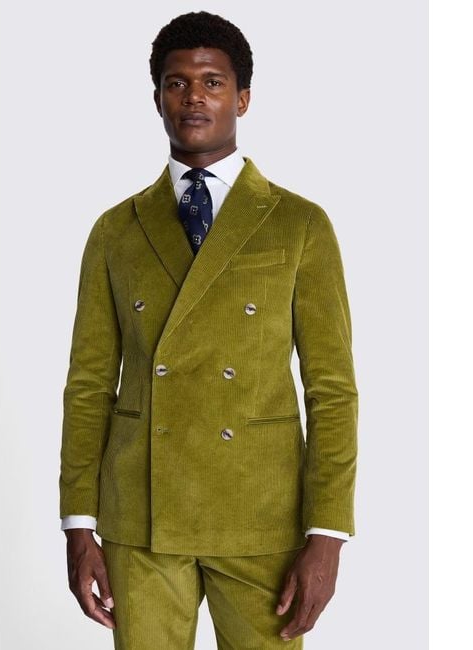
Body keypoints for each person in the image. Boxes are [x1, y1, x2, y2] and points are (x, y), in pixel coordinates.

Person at [59, 10, 358, 649]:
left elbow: (332, 390)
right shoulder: (116, 230)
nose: (193, 96)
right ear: (157, 99)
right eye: (177, 83)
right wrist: (79, 525)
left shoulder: (298, 224)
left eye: (213, 82)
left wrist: (327, 534)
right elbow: (88, 386)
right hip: (140, 515)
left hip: (261, 515)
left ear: (242, 98)